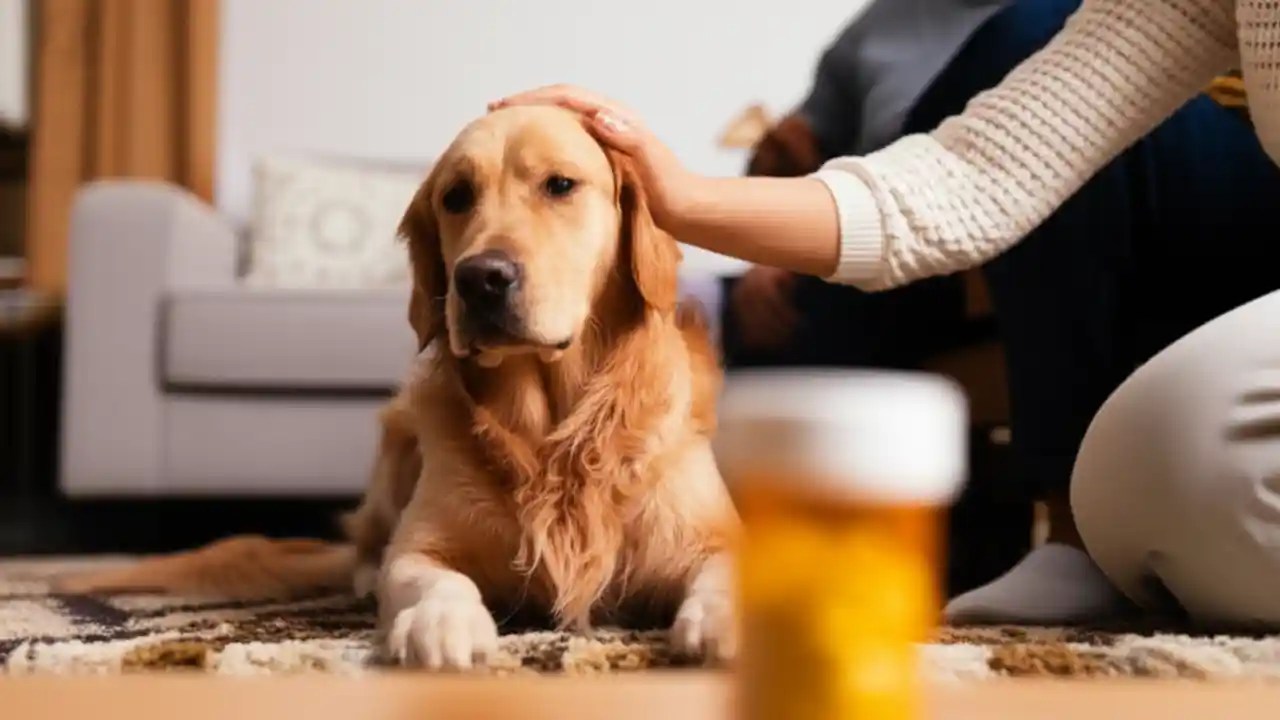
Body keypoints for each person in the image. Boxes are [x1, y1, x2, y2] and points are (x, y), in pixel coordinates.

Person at [493, 0, 1280, 631]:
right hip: (953, 240)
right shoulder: (875, 36)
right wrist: (682, 198)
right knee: (1149, 469)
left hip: (1185, 227)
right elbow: (973, 174)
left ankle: (1038, 529)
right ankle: (767, 530)